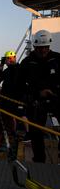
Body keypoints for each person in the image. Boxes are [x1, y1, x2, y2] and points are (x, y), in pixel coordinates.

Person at [17, 30, 60, 163]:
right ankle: (39, 162)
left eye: (46, 47)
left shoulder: (58, 59)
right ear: (35, 47)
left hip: (56, 99)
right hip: (36, 102)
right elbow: (19, 85)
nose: (43, 51)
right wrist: (37, 94)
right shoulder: (27, 62)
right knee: (36, 133)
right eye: (40, 48)